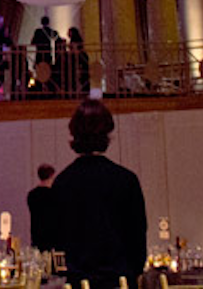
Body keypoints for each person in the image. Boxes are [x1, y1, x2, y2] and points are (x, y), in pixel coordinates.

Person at [51, 99, 147, 289]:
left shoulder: (62, 182)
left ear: (74, 134)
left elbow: (57, 238)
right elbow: (137, 236)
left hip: (79, 282)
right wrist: (133, 272)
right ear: (107, 134)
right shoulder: (126, 179)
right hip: (119, 280)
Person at [26, 164, 56, 251]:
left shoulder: (32, 195)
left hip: (36, 234)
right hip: (51, 235)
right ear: (51, 176)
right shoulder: (54, 195)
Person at [66, 28, 91, 97]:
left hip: (79, 59)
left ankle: (80, 90)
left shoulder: (74, 41)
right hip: (80, 58)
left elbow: (75, 49)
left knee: (79, 74)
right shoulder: (78, 40)